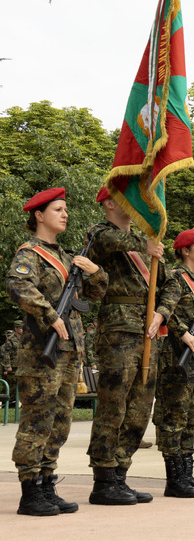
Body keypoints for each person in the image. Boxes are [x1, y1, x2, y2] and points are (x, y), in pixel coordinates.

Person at [7, 187, 107, 516]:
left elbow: (93, 295)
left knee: (61, 421)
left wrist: (95, 272)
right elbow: (18, 286)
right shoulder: (30, 253)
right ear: (39, 215)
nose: (65, 214)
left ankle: (47, 483)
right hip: (40, 352)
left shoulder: (68, 258)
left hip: (69, 352)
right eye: (58, 210)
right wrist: (49, 314)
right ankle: (29, 490)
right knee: (38, 421)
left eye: (65, 209)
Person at [85, 186, 165, 506]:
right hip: (118, 330)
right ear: (107, 204)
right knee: (113, 407)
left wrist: (162, 311)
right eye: (124, 200)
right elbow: (106, 242)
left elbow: (168, 286)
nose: (132, 206)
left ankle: (120, 473)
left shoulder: (145, 247)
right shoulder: (100, 233)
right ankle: (103, 479)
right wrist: (145, 243)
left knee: (139, 409)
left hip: (147, 331)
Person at [148, 227, 194, 498]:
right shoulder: (177, 279)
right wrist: (183, 331)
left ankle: (187, 473)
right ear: (185, 250)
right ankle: (174, 478)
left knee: (192, 418)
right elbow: (167, 309)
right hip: (178, 358)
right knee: (174, 417)